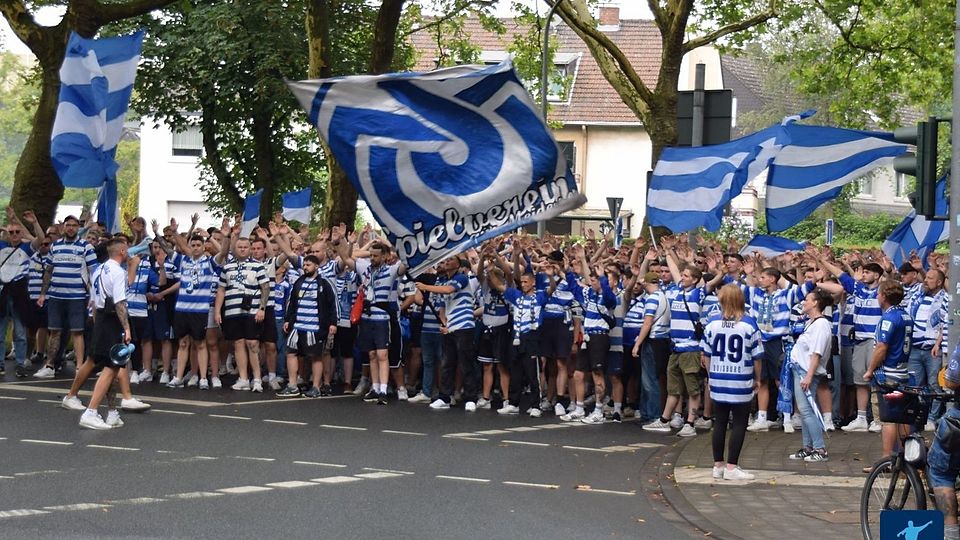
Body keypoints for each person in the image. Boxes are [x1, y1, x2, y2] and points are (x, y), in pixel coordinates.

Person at [701, 284, 762, 480]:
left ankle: (717, 465)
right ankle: (731, 466)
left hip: (718, 378)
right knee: (739, 422)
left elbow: (705, 354)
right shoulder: (749, 324)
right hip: (740, 378)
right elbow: (757, 356)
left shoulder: (711, 324)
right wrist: (757, 378)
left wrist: (711, 376)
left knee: (719, 422)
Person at [34, 215, 98, 378]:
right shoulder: (54, 246)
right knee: (54, 331)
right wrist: (43, 293)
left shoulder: (86, 247)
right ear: (63, 227)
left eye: (74, 225)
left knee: (77, 332)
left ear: (79, 228)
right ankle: (49, 366)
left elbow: (94, 272)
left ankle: (79, 368)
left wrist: (94, 296)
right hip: (56, 295)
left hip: (77, 296)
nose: (71, 228)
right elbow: (48, 271)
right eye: (68, 225)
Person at [79, 238, 133, 429]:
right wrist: (126, 328)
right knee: (111, 367)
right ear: (122, 252)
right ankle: (91, 411)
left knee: (111, 368)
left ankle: (111, 412)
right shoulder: (118, 272)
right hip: (111, 320)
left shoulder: (98, 270)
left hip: (99, 318)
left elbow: (93, 302)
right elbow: (119, 303)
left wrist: (96, 325)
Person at [863, 279, 913, 459]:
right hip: (903, 371)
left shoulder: (888, 318)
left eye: (878, 293)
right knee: (903, 417)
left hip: (888, 374)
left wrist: (870, 370)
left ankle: (887, 459)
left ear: (884, 296)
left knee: (888, 418)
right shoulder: (906, 315)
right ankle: (906, 458)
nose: (877, 296)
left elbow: (882, 347)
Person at [277, 255, 338, 398]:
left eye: (309, 265)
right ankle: (292, 385)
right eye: (304, 265)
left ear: (316, 266)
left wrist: (333, 323)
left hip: (315, 328)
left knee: (316, 357)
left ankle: (316, 387)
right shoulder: (299, 281)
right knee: (291, 353)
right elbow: (292, 302)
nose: (305, 267)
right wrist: (288, 320)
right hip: (297, 326)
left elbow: (332, 304)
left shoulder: (324, 283)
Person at [787, 289, 834, 462]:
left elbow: (817, 353)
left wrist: (808, 375)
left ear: (815, 303)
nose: (803, 302)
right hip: (800, 369)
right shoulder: (811, 322)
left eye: (807, 299)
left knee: (807, 411)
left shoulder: (821, 324)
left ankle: (820, 448)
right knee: (805, 410)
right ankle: (808, 446)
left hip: (806, 372)